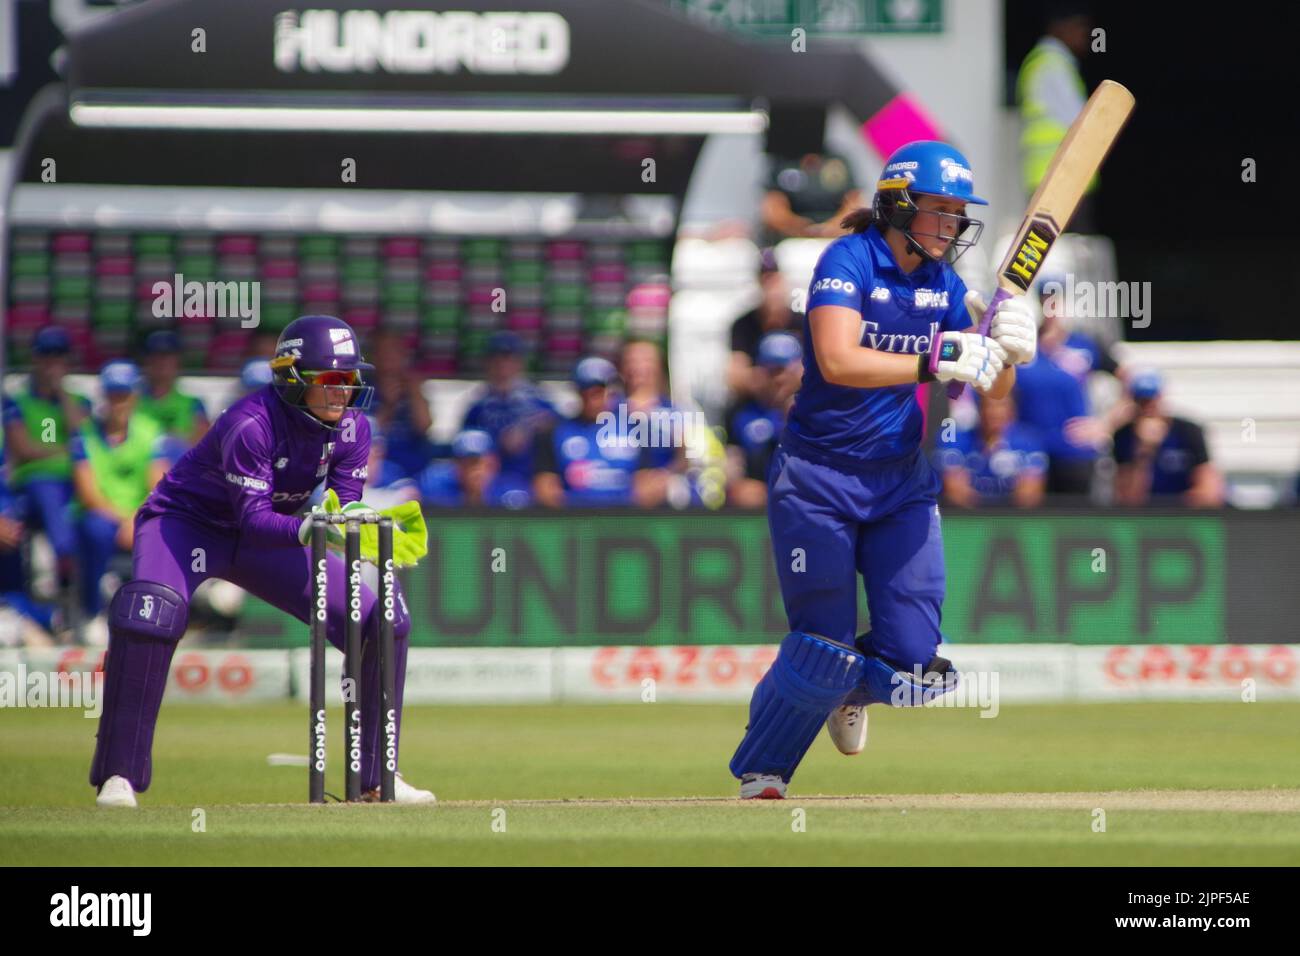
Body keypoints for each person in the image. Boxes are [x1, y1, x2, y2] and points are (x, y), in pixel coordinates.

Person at [728, 141, 1038, 799]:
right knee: (822, 646)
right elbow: (838, 360)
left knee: (918, 665)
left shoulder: (946, 284)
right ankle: (765, 772)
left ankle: (852, 691)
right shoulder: (846, 261)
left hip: (900, 480)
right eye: (941, 211)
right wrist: (936, 360)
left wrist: (1010, 348)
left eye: (959, 214)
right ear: (899, 205)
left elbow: (993, 387)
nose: (952, 226)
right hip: (818, 478)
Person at [89, 315, 433, 808]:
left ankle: (377, 779)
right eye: (330, 380)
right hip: (188, 524)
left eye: (350, 378)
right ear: (293, 378)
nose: (343, 392)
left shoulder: (355, 426)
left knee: (383, 620)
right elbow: (252, 520)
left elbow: (345, 500)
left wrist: (360, 524)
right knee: (150, 612)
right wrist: (308, 528)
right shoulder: (251, 424)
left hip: (270, 533)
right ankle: (118, 775)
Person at [69, 361, 168, 626]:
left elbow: (158, 485)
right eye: (112, 395)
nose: (118, 403)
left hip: (140, 513)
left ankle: (157, 612)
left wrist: (135, 517)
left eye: (123, 395)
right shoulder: (84, 434)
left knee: (165, 529)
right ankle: (92, 613)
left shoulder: (150, 431)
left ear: (135, 396)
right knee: (95, 531)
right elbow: (88, 491)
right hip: (102, 514)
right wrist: (123, 520)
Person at [1011, 270, 1124, 497]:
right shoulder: (1023, 344)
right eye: (1046, 298)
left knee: (1075, 523)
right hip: (1030, 452)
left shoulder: (1083, 344)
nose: (1050, 304)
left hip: (1073, 452)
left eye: (1055, 298)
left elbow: (1131, 382)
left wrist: (1105, 424)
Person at [2, 327, 92, 602]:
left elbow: (85, 438)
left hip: (74, 483)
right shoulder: (18, 402)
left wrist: (60, 394)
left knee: (85, 513)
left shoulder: (78, 401)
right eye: (46, 357)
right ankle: (63, 561)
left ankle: (75, 579)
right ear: (36, 359)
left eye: (58, 357)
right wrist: (66, 450)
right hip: (33, 484)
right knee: (46, 490)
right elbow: (23, 448)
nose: (52, 364)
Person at [530, 357, 663, 508]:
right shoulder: (555, 432)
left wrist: (621, 509)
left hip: (624, 520)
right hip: (575, 521)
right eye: (586, 391)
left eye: (598, 391)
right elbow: (545, 486)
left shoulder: (635, 429)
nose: (592, 398)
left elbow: (647, 484)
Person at [1016, 3, 1098, 230]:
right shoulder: (1052, 64)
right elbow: (1082, 122)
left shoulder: (1049, 62)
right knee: (1066, 255)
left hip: (1054, 178)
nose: (1086, 35)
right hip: (1061, 178)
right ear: (1059, 28)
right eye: (1080, 27)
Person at [1113, 371, 1225, 507]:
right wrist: (1144, 452)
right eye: (1141, 401)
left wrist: (1173, 506)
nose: (1147, 407)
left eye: (1151, 400)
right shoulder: (1124, 436)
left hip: (1185, 512)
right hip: (1147, 515)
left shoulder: (1188, 431)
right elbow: (1129, 498)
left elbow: (1209, 490)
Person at [461, 332, 557, 490]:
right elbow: (465, 444)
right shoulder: (478, 408)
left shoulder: (539, 401)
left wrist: (529, 429)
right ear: (487, 363)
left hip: (532, 481)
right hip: (492, 484)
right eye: (496, 358)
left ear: (519, 362)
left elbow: (560, 427)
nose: (502, 364)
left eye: (508, 357)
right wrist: (498, 441)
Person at [725, 332, 803, 508]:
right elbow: (732, 464)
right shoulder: (741, 411)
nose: (779, 378)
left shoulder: (813, 411)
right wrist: (736, 485)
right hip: (757, 505)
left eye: (784, 370)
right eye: (772, 370)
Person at [934, 394, 1047, 508]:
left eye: (1001, 406)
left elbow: (1029, 495)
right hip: (968, 519)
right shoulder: (955, 440)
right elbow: (955, 491)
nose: (994, 413)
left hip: (1012, 520)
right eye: (988, 406)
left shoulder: (1030, 441)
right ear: (979, 409)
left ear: (1012, 410)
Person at [726, 249, 803, 401]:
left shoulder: (802, 321)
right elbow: (734, 376)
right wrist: (763, 377)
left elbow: (817, 368)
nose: (771, 289)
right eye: (765, 281)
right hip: (758, 399)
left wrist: (791, 377)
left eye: (774, 280)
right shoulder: (743, 325)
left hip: (797, 396)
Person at [367, 329, 436, 478]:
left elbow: (425, 425)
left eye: (394, 351)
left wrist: (414, 392)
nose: (389, 358)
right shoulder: (364, 389)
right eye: (383, 352)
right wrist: (388, 405)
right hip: (378, 467)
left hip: (414, 467)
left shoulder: (412, 387)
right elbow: (364, 434)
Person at [136, 330, 210, 448]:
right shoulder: (133, 403)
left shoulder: (193, 404)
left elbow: (203, 444)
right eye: (156, 357)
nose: (162, 362)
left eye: (167, 357)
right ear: (147, 361)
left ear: (178, 361)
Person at [420, 430, 531, 509]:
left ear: (493, 463)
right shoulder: (438, 489)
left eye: (478, 462)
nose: (475, 470)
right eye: (466, 463)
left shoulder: (509, 489)